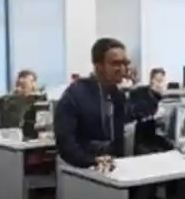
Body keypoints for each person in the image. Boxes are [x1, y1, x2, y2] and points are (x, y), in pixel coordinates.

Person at [55, 37, 130, 167]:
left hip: (113, 164)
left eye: (125, 63)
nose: (122, 69)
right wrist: (91, 161)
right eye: (116, 64)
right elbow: (66, 144)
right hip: (83, 168)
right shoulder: (76, 94)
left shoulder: (117, 95)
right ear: (98, 66)